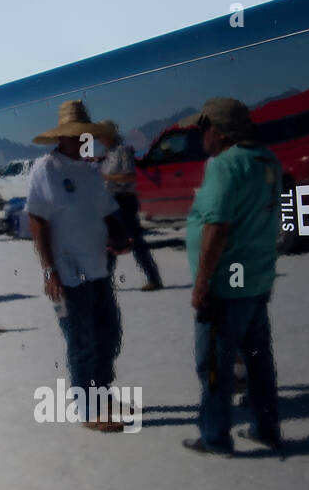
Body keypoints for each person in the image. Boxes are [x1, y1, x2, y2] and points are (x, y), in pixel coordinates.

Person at [184, 98, 283, 457]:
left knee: (213, 364)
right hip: (256, 280)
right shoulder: (267, 159)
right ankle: (266, 428)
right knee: (258, 361)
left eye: (203, 128)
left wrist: (201, 284)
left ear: (221, 131)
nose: (200, 135)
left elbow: (217, 228)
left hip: (225, 286)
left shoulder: (226, 165)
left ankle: (215, 436)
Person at [27, 99, 131, 432]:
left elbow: (105, 211)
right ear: (63, 138)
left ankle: (101, 395)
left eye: (86, 134)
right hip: (68, 275)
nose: (84, 139)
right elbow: (37, 221)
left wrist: (118, 235)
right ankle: (89, 409)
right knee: (81, 341)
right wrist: (48, 270)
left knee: (108, 336)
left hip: (99, 269)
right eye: (77, 134)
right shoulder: (46, 169)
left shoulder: (88, 170)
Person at [100, 120, 163, 290]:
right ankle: (104, 281)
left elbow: (130, 177)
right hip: (112, 202)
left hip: (124, 201)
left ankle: (153, 278)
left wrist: (107, 178)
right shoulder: (109, 154)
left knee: (134, 241)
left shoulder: (122, 152)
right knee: (111, 242)